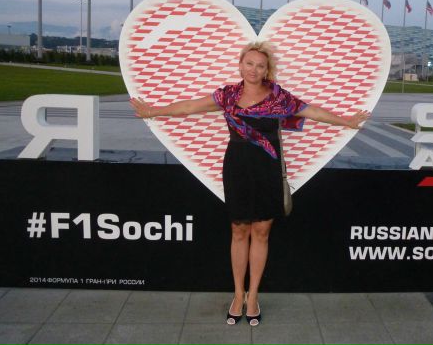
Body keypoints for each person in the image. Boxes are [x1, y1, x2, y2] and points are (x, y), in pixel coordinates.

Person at [130, 41, 369, 326]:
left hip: (267, 169)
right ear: (241, 65)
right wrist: (153, 111)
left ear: (267, 70)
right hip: (237, 167)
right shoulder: (227, 95)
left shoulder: (278, 97)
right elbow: (190, 106)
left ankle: (253, 296)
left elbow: (312, 112)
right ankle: (237, 294)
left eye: (260, 65)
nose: (254, 69)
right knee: (239, 230)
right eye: (249, 63)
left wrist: (346, 121)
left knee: (262, 231)